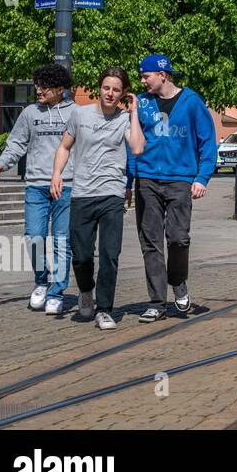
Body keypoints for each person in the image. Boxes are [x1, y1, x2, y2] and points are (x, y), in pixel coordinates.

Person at [50, 67, 141, 330]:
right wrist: (56, 174)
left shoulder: (125, 118)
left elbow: (136, 147)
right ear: (99, 88)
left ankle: (104, 309)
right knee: (80, 256)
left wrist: (134, 114)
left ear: (122, 93)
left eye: (116, 89)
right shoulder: (80, 114)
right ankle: (86, 291)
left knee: (110, 254)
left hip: (112, 193)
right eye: (106, 88)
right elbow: (65, 146)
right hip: (82, 193)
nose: (110, 93)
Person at [130, 54, 217, 322]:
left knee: (178, 238)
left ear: (163, 75)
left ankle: (178, 282)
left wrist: (202, 177)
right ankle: (157, 302)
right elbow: (132, 143)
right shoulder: (142, 103)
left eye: (147, 76)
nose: (143, 81)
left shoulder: (192, 102)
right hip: (146, 179)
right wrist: (129, 179)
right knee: (151, 242)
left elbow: (208, 142)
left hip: (180, 179)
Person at [0, 63, 77, 316]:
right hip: (36, 185)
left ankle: (57, 292)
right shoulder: (29, 113)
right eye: (37, 84)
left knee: (63, 242)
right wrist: (1, 163)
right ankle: (42, 281)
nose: (39, 90)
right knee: (34, 237)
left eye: (45, 86)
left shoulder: (76, 113)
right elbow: (17, 143)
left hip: (67, 186)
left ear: (60, 88)